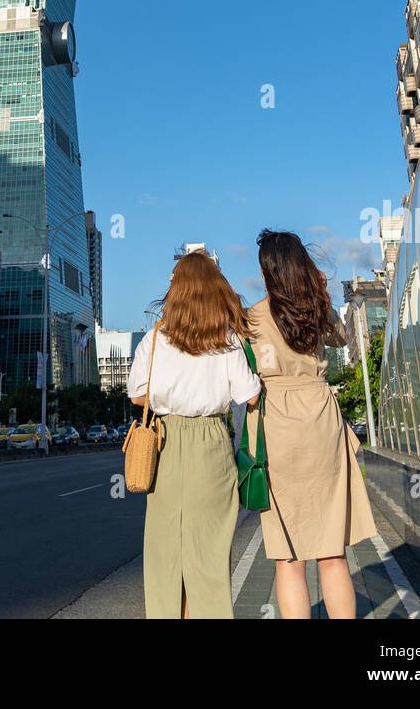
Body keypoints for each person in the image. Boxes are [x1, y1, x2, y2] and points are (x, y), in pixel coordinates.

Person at [247, 229, 377, 619]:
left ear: (268, 271)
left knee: (288, 557)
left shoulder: (251, 319)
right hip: (322, 422)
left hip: (277, 428)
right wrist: (321, 292)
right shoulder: (316, 311)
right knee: (332, 552)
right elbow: (341, 338)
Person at [126, 251, 261, 619]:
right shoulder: (227, 338)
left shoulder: (155, 339)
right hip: (211, 441)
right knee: (210, 553)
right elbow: (249, 395)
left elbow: (137, 394)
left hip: (165, 443)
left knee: (165, 553)